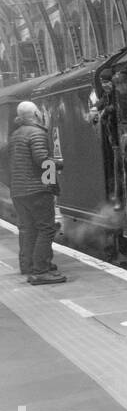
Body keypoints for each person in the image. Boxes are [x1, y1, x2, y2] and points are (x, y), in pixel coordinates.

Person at [8, 101, 65, 284]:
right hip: (36, 190)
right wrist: (57, 163)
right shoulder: (37, 133)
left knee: (27, 228)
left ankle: (28, 265)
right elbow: (41, 160)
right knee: (46, 228)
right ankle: (41, 271)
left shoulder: (16, 134)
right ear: (36, 114)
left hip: (19, 190)